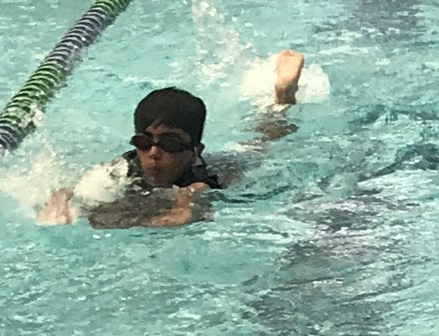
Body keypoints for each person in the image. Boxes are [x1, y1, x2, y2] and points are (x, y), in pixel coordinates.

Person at [38, 54, 304, 229]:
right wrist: (62, 204)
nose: (154, 153)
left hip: (229, 163)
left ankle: (283, 98)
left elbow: (182, 216)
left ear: (194, 150)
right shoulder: (124, 167)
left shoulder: (199, 180)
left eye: (170, 144)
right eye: (144, 141)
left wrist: (92, 218)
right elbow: (74, 191)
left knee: (261, 143)